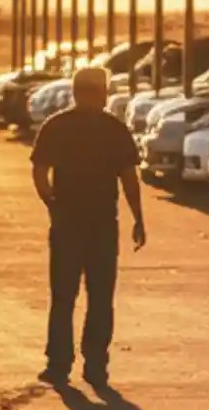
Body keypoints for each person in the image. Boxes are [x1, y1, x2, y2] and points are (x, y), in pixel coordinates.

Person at [30, 67, 146, 388]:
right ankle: (95, 367)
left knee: (63, 296)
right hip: (102, 225)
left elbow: (40, 171)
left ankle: (58, 365)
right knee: (99, 297)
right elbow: (128, 178)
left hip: (67, 223)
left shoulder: (57, 125)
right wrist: (138, 218)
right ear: (99, 93)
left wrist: (52, 203)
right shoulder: (114, 128)